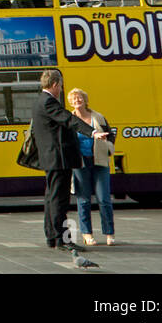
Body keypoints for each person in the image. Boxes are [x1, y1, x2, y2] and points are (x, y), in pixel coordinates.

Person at [30, 70, 105, 250]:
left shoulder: (39, 101)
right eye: (61, 86)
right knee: (59, 200)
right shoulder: (49, 102)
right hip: (58, 158)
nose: (62, 89)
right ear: (55, 84)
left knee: (51, 198)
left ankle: (52, 237)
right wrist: (93, 132)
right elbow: (69, 119)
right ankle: (62, 239)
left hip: (51, 158)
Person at [69, 88, 115, 246]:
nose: (77, 101)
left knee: (104, 199)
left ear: (85, 100)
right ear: (70, 102)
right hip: (80, 163)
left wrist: (108, 147)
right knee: (83, 200)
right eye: (74, 99)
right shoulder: (69, 119)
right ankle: (87, 233)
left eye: (79, 98)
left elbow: (111, 134)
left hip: (100, 160)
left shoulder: (98, 117)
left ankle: (109, 233)